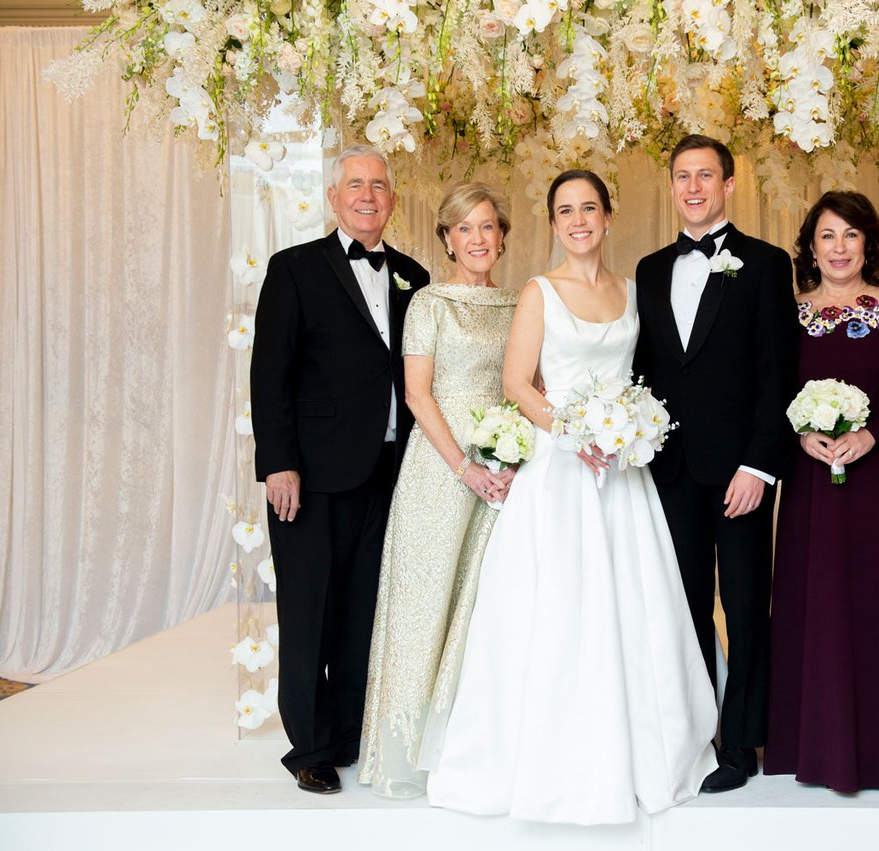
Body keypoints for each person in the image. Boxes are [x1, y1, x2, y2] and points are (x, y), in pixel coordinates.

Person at [425, 170, 717, 824]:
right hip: (561, 470)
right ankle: (546, 762)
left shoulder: (634, 291)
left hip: (623, 472)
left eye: (589, 207)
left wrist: (626, 428)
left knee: (632, 603)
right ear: (553, 223)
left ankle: (646, 750)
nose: (578, 219)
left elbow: (642, 376)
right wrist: (576, 432)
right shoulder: (538, 292)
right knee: (554, 606)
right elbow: (518, 383)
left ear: (608, 217)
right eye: (565, 210)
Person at [250, 145, 429, 794]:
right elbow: (269, 376)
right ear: (333, 196)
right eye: (356, 185)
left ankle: (352, 732)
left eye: (380, 186)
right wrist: (279, 464)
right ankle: (311, 747)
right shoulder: (294, 269)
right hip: (312, 475)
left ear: (392, 199)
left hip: (390, 471)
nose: (368, 195)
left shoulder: (414, 274)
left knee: (365, 613)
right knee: (310, 613)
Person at [633, 134, 798, 792]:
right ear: (671, 186)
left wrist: (759, 467)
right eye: (682, 176)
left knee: (746, 601)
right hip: (668, 470)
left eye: (706, 175)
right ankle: (696, 730)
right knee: (685, 606)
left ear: (730, 184)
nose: (694, 186)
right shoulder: (647, 269)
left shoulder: (764, 264)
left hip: (740, 474)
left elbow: (777, 373)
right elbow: (644, 369)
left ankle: (742, 742)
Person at [764, 191, 879, 793]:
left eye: (851, 236)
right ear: (811, 246)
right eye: (827, 236)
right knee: (816, 602)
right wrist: (801, 434)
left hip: (875, 483)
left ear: (869, 244)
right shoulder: (792, 313)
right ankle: (812, 745)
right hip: (812, 483)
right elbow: (774, 396)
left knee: (877, 600)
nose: (839, 248)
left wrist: (871, 434)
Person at [357, 183, 519, 798]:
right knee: (428, 599)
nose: (477, 239)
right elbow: (418, 395)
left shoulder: (518, 301)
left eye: (487, 226)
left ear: (502, 235)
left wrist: (510, 458)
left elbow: (526, 384)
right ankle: (408, 746)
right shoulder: (427, 303)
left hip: (504, 464)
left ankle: (472, 747)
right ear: (447, 238)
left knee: (485, 602)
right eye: (464, 228)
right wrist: (465, 467)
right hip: (441, 466)